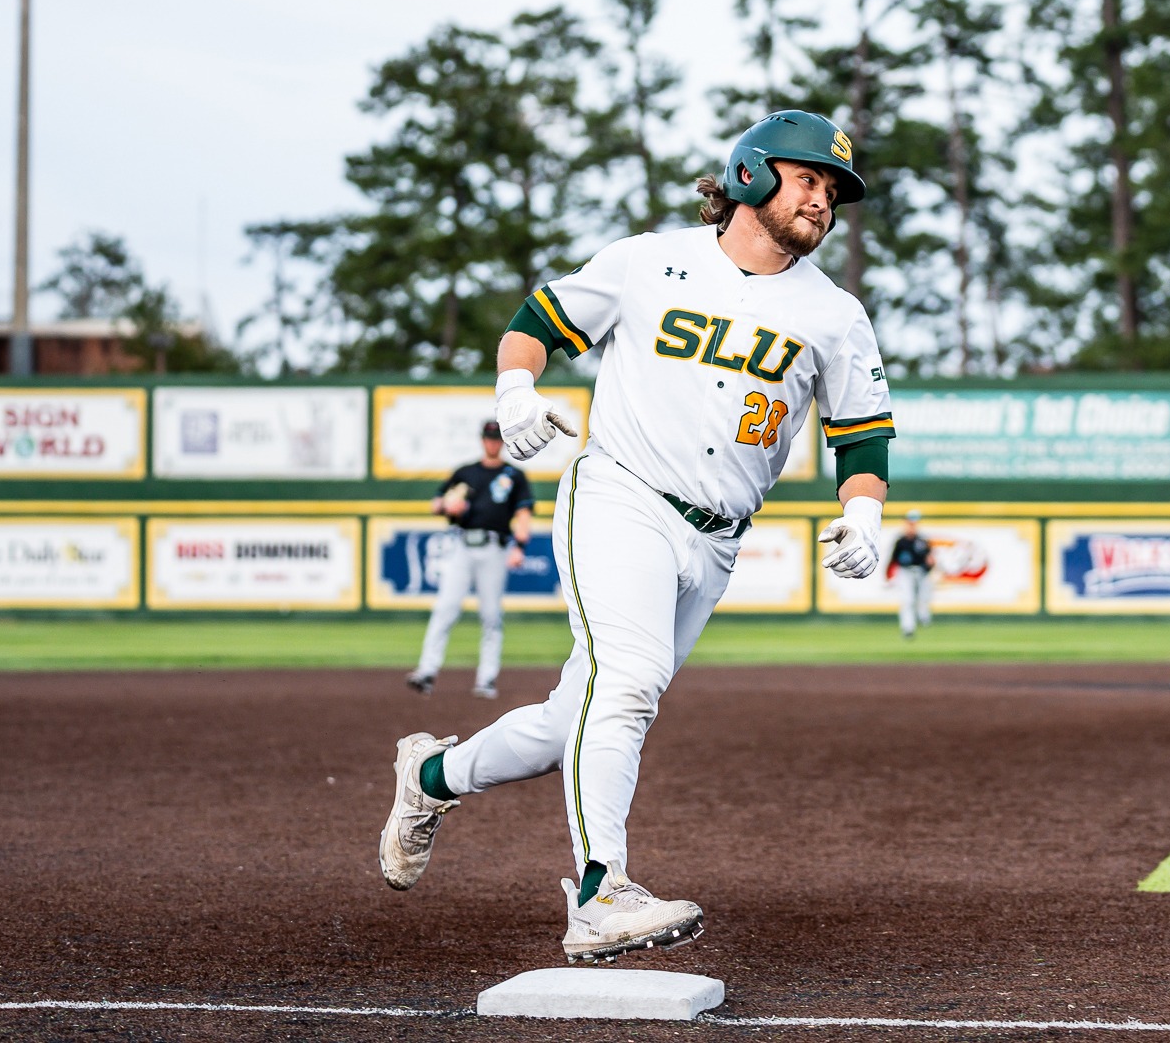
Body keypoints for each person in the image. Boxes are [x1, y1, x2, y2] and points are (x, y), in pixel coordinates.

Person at [378, 110, 894, 965]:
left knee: (569, 719)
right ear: (751, 175)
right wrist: (515, 392)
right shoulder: (648, 260)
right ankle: (599, 891)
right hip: (622, 494)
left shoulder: (835, 313)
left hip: (718, 538)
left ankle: (429, 778)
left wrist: (866, 507)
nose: (823, 201)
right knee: (630, 683)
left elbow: (863, 433)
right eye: (808, 178)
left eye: (833, 191)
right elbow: (534, 324)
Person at [404, 420, 534, 700]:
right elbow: (435, 504)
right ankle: (426, 672)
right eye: (489, 438)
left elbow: (523, 514)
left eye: (497, 438)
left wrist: (519, 546)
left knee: (490, 615)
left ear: (502, 442)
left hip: (494, 547)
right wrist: (446, 506)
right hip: (462, 545)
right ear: (482, 440)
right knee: (445, 608)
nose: (492, 443)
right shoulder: (465, 473)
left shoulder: (513, 475)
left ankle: (486, 679)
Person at [887, 508, 935, 638]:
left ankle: (924, 618)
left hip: (921, 572)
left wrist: (929, 564)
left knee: (924, 599)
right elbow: (893, 559)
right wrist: (888, 575)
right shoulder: (901, 542)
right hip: (906, 572)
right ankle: (908, 627)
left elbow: (931, 560)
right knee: (907, 600)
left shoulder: (922, 540)